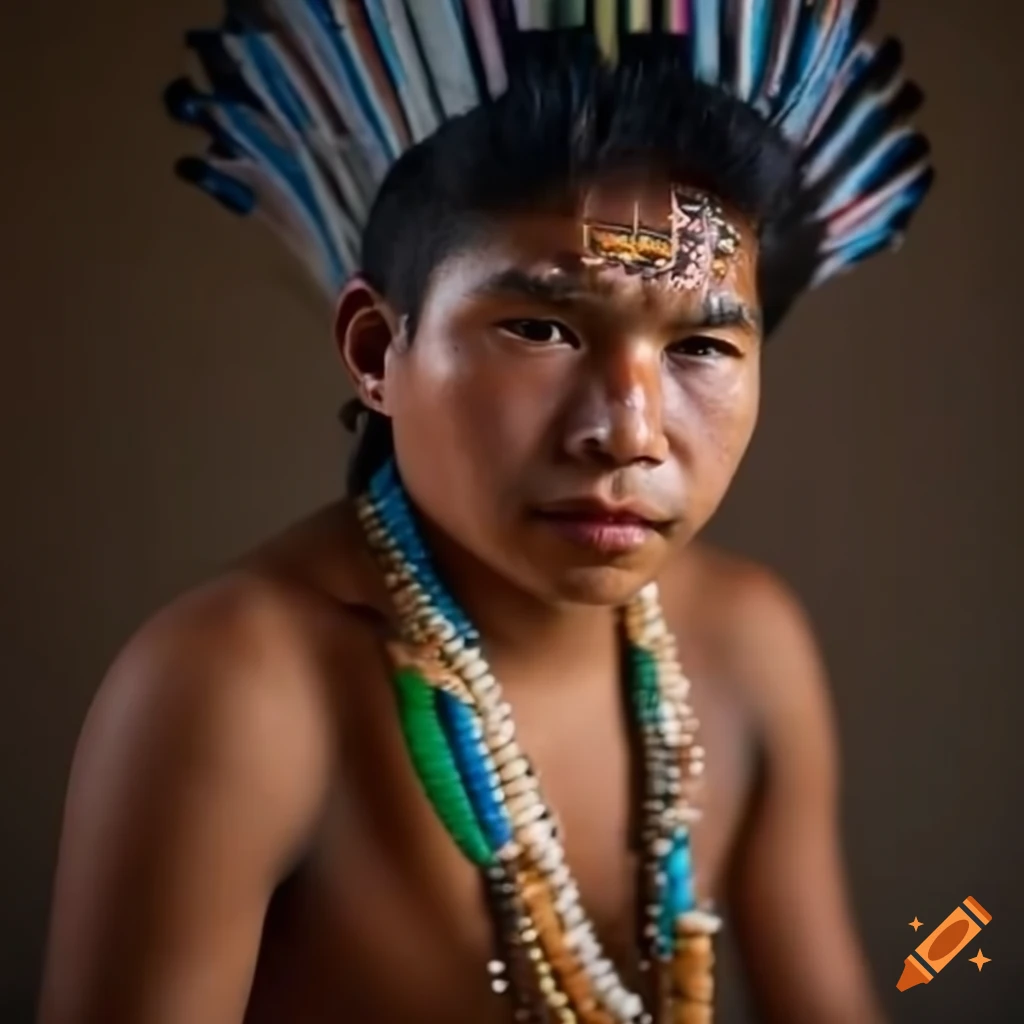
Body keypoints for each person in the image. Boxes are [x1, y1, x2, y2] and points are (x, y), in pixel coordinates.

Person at [38, 3, 933, 1023]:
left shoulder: (744, 644)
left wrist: (958, 951)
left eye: (700, 348)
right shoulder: (237, 690)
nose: (627, 429)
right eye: (542, 327)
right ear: (379, 351)